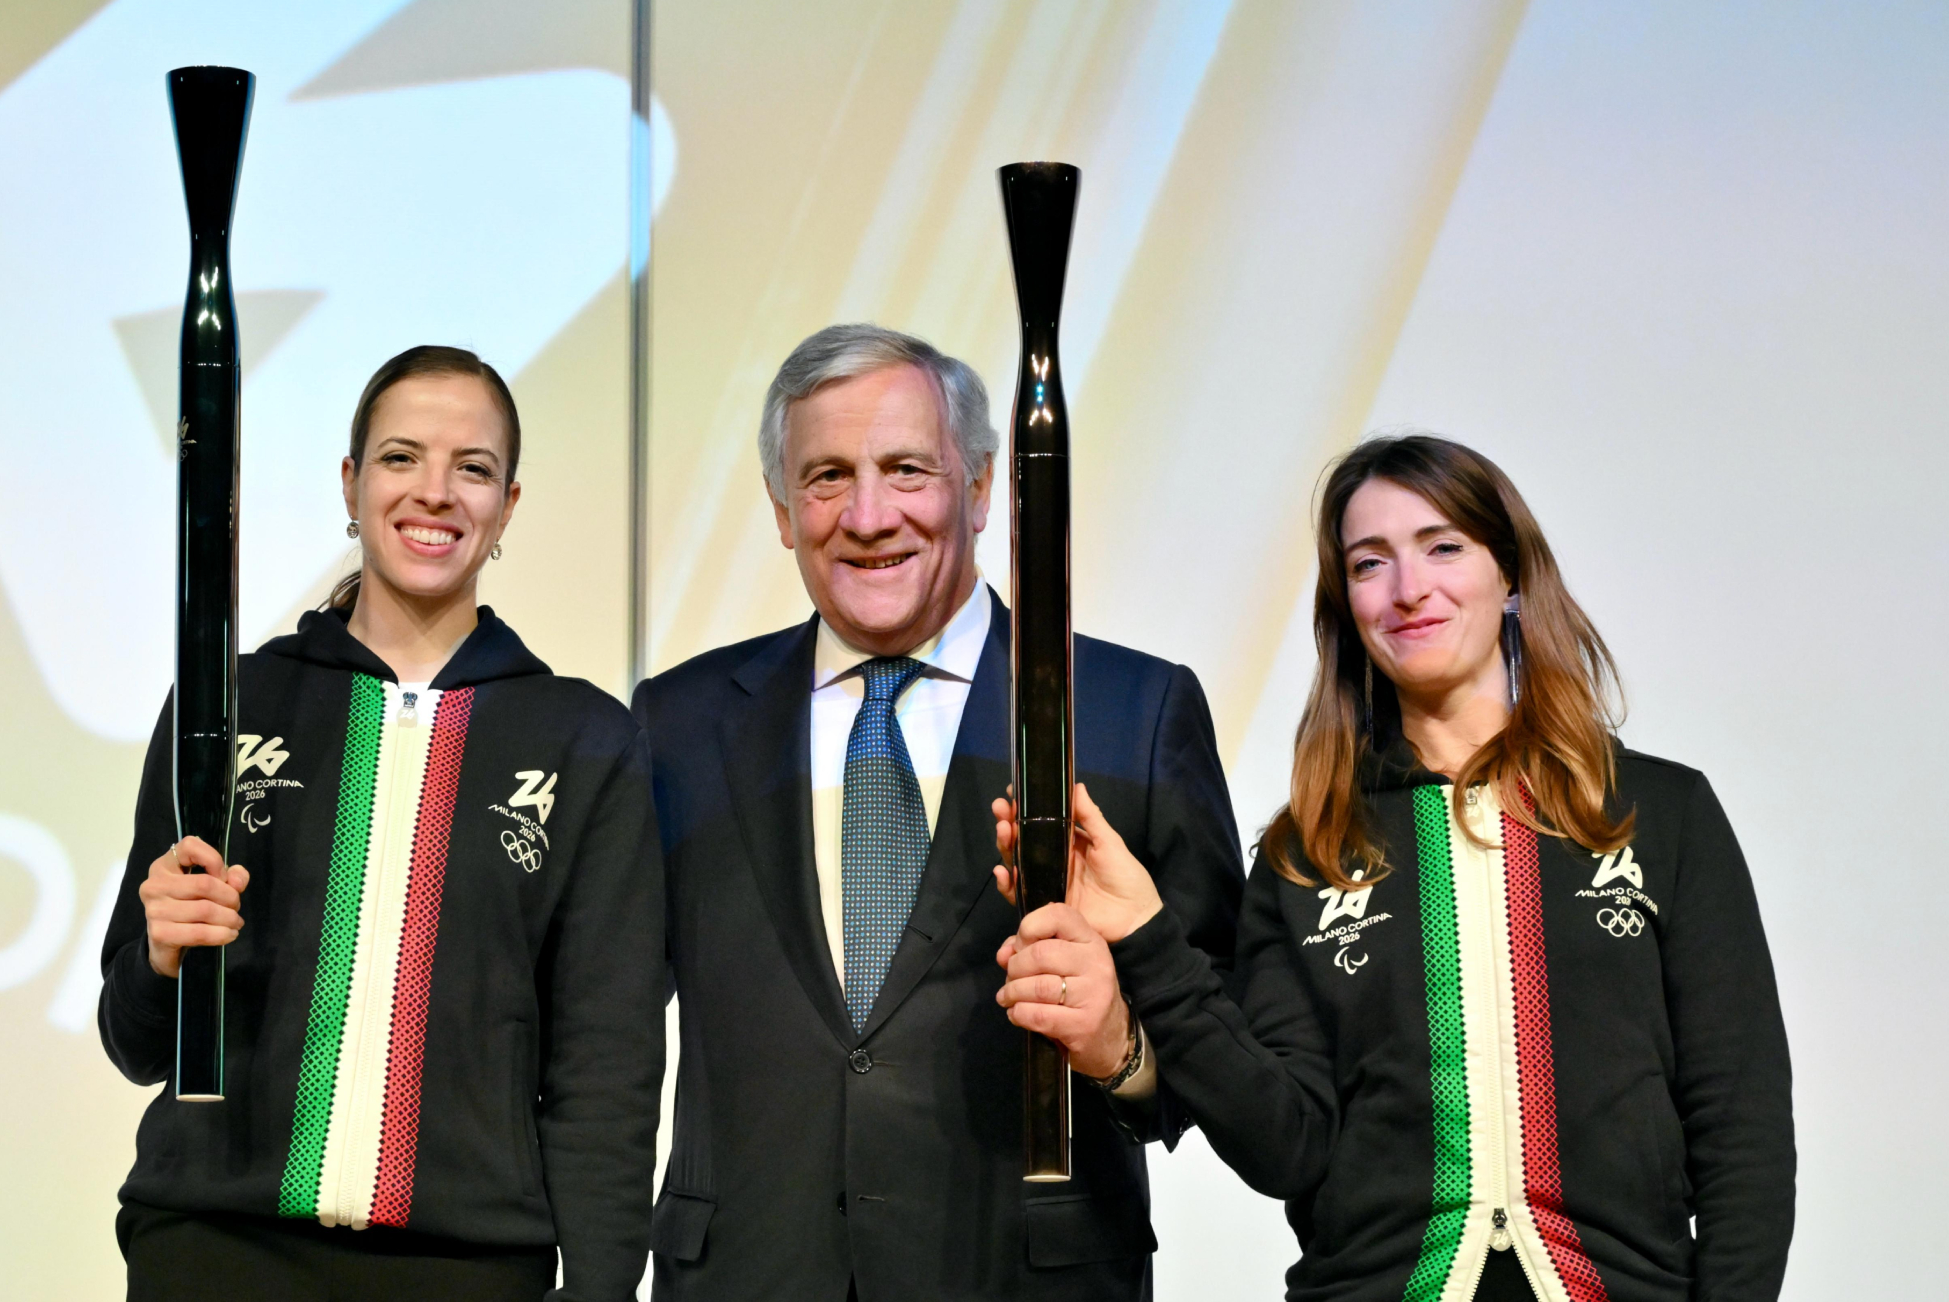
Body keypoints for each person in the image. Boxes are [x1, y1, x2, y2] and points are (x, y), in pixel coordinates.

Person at [997, 433, 1795, 1302]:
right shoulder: (1310, 854)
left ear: (1512, 574)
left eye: (1443, 546)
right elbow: (1285, 1148)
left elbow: (1741, 1131)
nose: (1410, 589)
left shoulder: (1659, 814)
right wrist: (1148, 935)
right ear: (1347, 607)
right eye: (1370, 563)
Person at [630, 324, 1259, 1301]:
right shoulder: (676, 725)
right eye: (828, 476)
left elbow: (1232, 1045)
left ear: (977, 490)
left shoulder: (1131, 712)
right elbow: (601, 1025)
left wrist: (1124, 1053)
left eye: (906, 470)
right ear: (783, 509)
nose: (868, 514)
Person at [98, 345, 665, 1302]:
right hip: (212, 1245)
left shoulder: (582, 739)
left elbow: (604, 1072)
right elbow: (133, 1039)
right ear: (353, 485)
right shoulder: (227, 703)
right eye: (402, 458)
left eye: (472, 468)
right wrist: (158, 958)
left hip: (466, 1266)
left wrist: (603, 1286)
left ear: (508, 508)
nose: (435, 492)